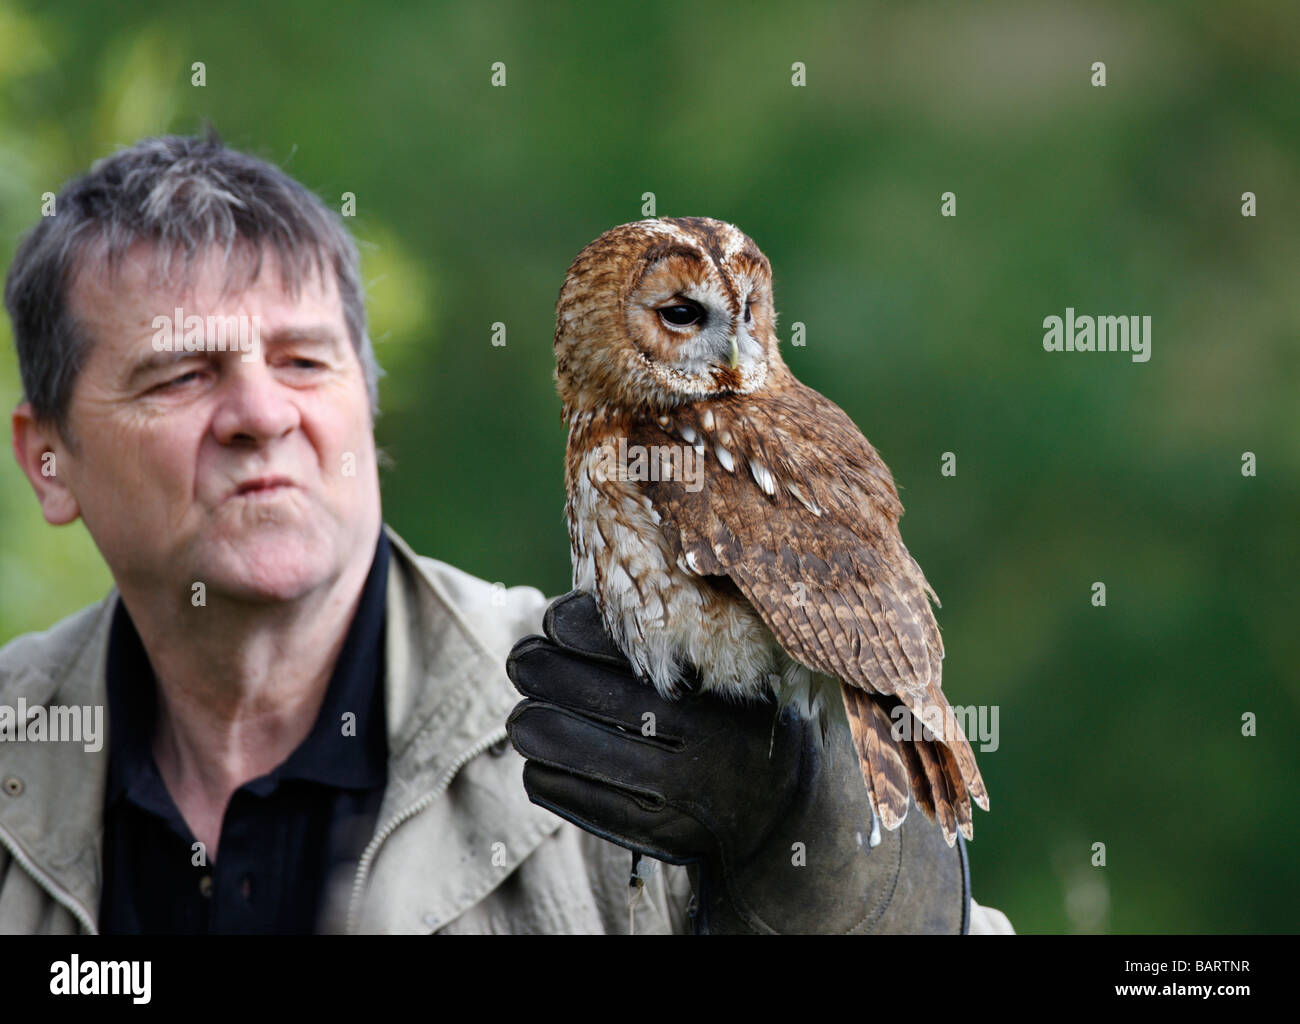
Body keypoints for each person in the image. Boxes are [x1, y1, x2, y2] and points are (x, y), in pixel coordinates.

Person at [0, 132, 1014, 934]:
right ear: (47, 457)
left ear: (370, 406)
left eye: (305, 363)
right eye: (184, 372)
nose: (263, 415)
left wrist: (816, 839)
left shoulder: (600, 716)